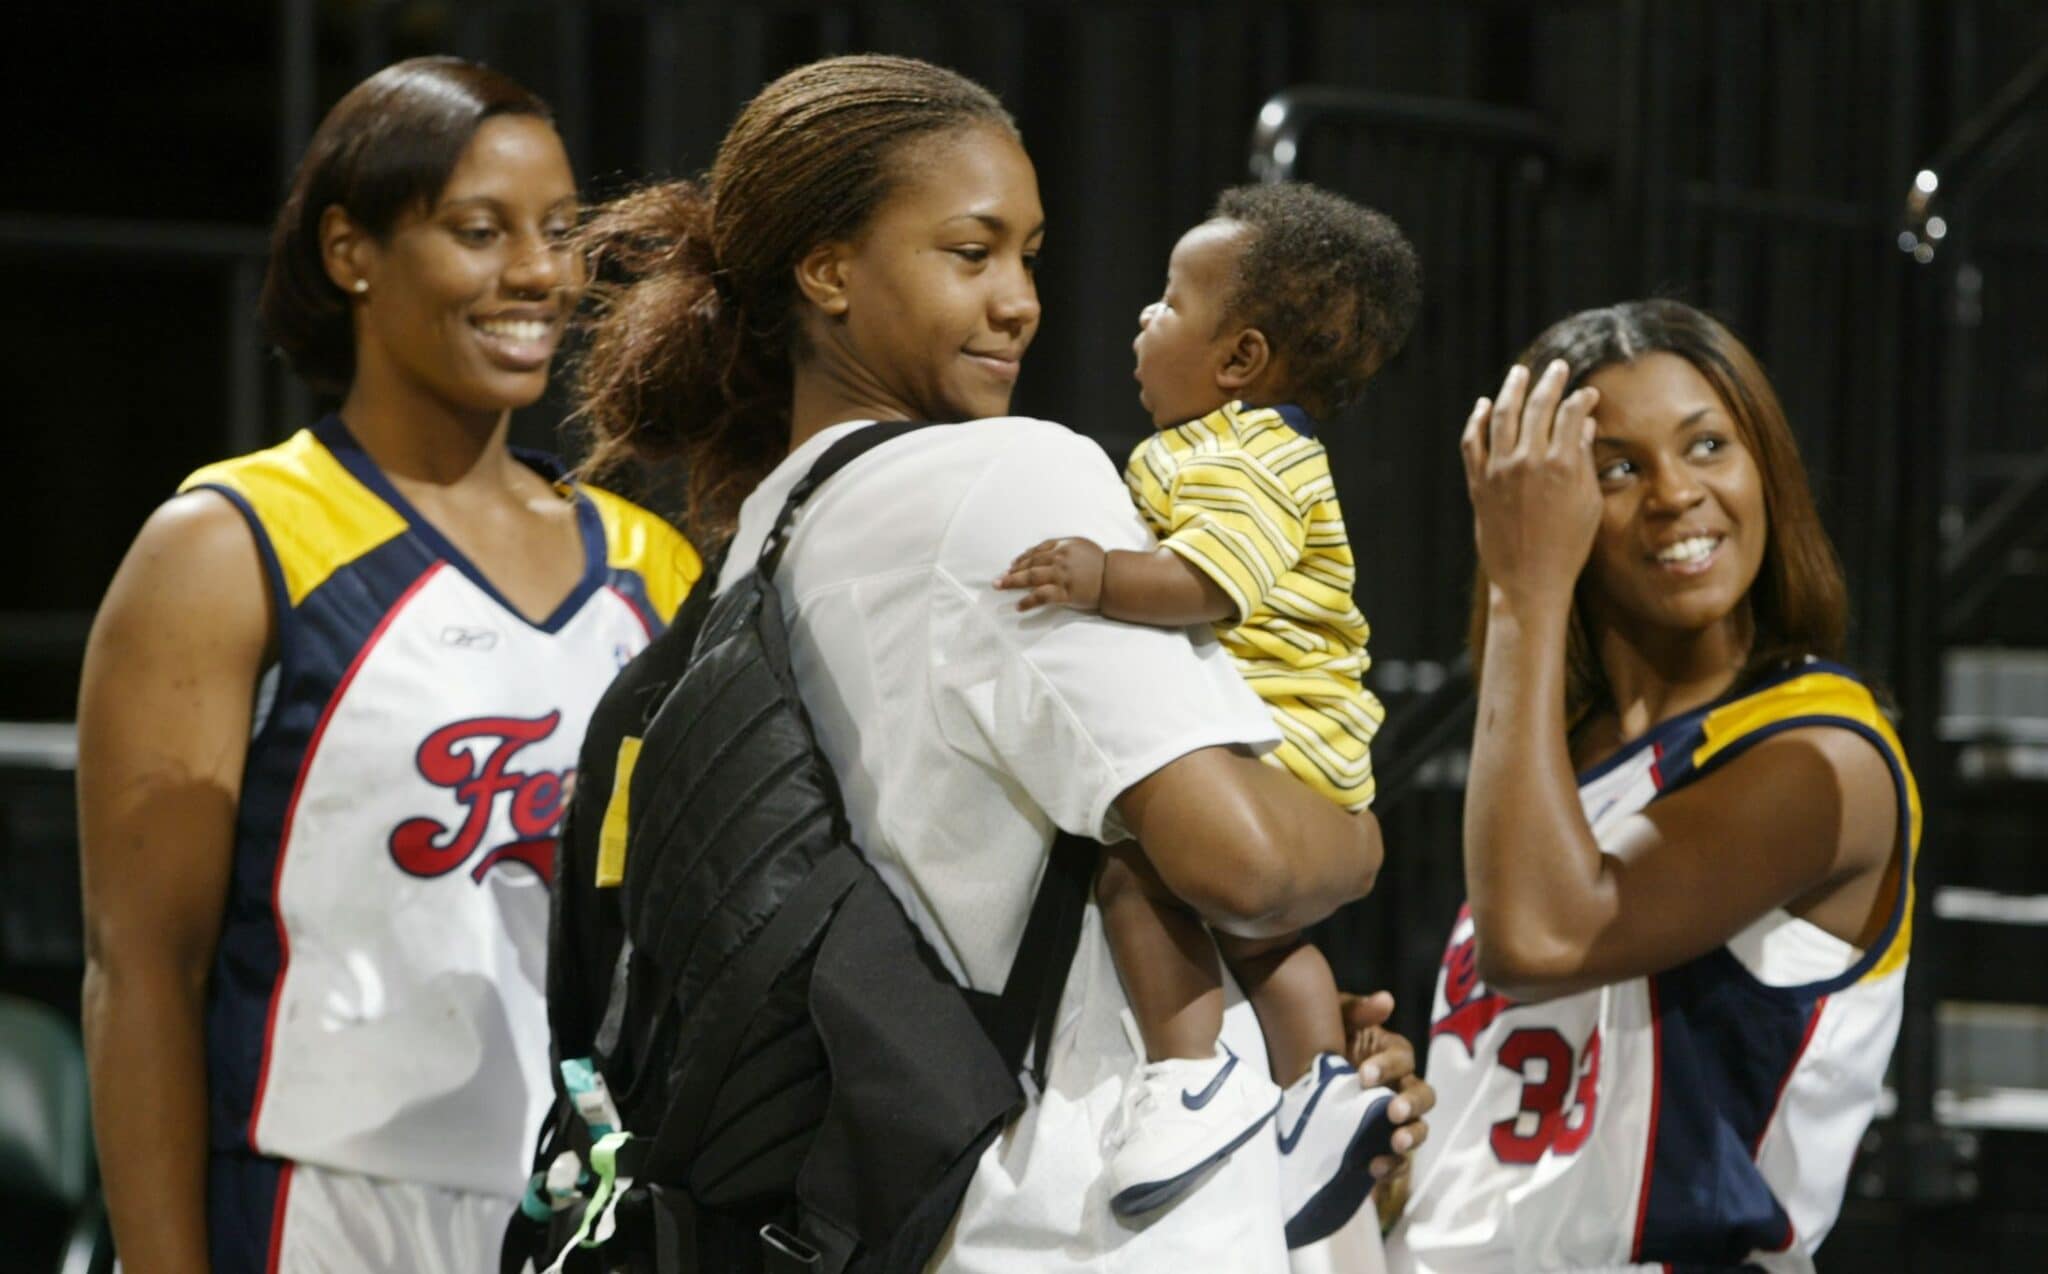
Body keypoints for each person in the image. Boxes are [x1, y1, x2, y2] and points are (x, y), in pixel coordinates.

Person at [572, 52, 1432, 1274]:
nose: (1020, 299)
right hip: (1104, 1227)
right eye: (969, 254)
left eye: (1028, 255)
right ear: (826, 270)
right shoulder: (1008, 478)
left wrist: (1276, 1044)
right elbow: (1238, 858)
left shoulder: (762, 536)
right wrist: (1358, 841)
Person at [77, 57, 699, 1273]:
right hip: (321, 1208)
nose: (537, 272)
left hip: (582, 1209)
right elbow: (141, 966)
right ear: (350, 250)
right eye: (479, 230)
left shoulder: (649, 563)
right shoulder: (229, 541)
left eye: (560, 231)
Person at [1385, 300, 1919, 1272]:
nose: (1675, 492)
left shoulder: (1822, 753)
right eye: (1617, 468)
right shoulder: (1558, 762)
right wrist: (1398, 1119)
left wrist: (1519, 590)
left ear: (1765, 468)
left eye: (1706, 444)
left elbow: (1544, 937)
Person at [993, 182, 1420, 1240]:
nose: (1142, 319)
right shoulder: (1228, 450)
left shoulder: (1243, 456)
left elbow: (1209, 582)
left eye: (1168, 302)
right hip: (1291, 748)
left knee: (1140, 875)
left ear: (1238, 359)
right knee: (1269, 946)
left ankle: (1182, 1076)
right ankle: (1313, 1091)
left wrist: (1098, 577)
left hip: (1284, 736)